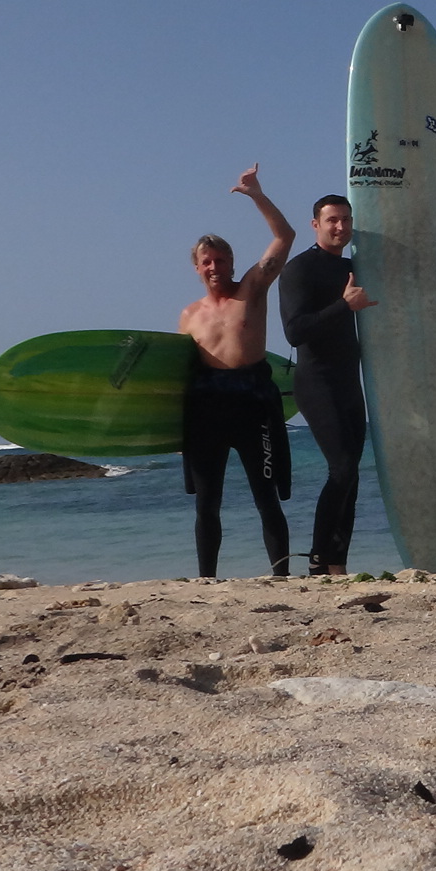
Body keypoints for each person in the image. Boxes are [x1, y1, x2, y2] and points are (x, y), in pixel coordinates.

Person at [178, 164, 297, 577]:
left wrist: (256, 195)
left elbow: (285, 237)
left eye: (221, 260)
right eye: (207, 261)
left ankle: (281, 576)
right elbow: (179, 373)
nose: (214, 267)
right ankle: (206, 580)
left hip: (253, 404)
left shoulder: (251, 290)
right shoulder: (189, 316)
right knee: (207, 502)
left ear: (232, 263)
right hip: (207, 409)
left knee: (266, 497)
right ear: (197, 267)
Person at [277, 194, 376, 576]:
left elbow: (406, 278)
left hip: (349, 384)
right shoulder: (299, 269)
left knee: (351, 475)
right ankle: (318, 561)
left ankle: (338, 563)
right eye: (333, 220)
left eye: (346, 220)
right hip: (316, 383)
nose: (341, 227)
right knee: (342, 469)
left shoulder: (352, 268)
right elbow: (294, 331)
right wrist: (343, 306)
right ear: (315, 224)